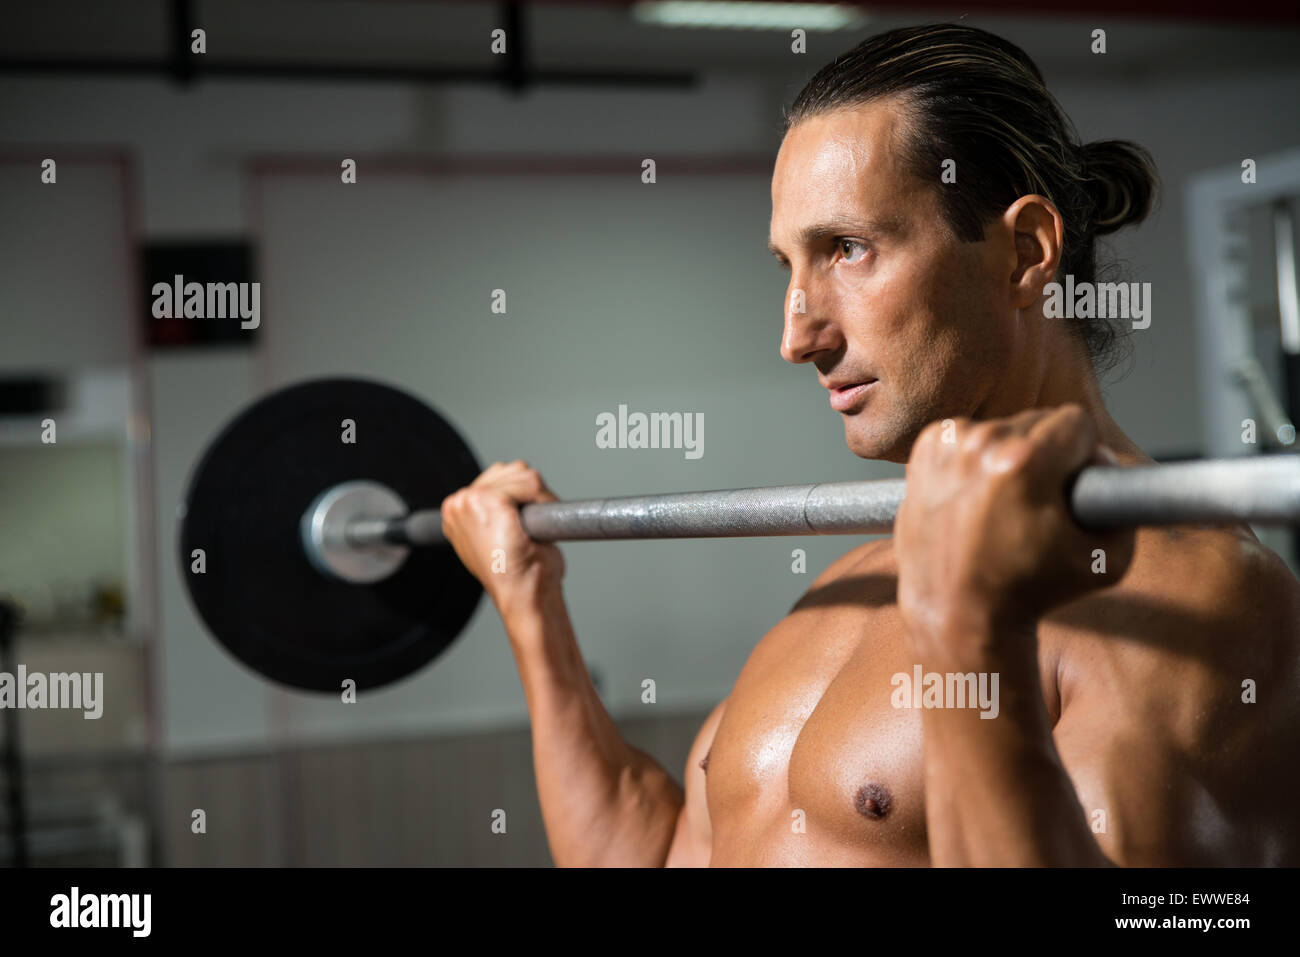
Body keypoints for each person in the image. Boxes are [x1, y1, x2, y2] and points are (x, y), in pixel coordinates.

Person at [439, 24, 1300, 866]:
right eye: (789, 267)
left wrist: (967, 634)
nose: (797, 335)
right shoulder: (843, 588)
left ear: (1026, 252)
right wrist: (531, 606)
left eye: (847, 249)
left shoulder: (1196, 597)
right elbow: (662, 853)